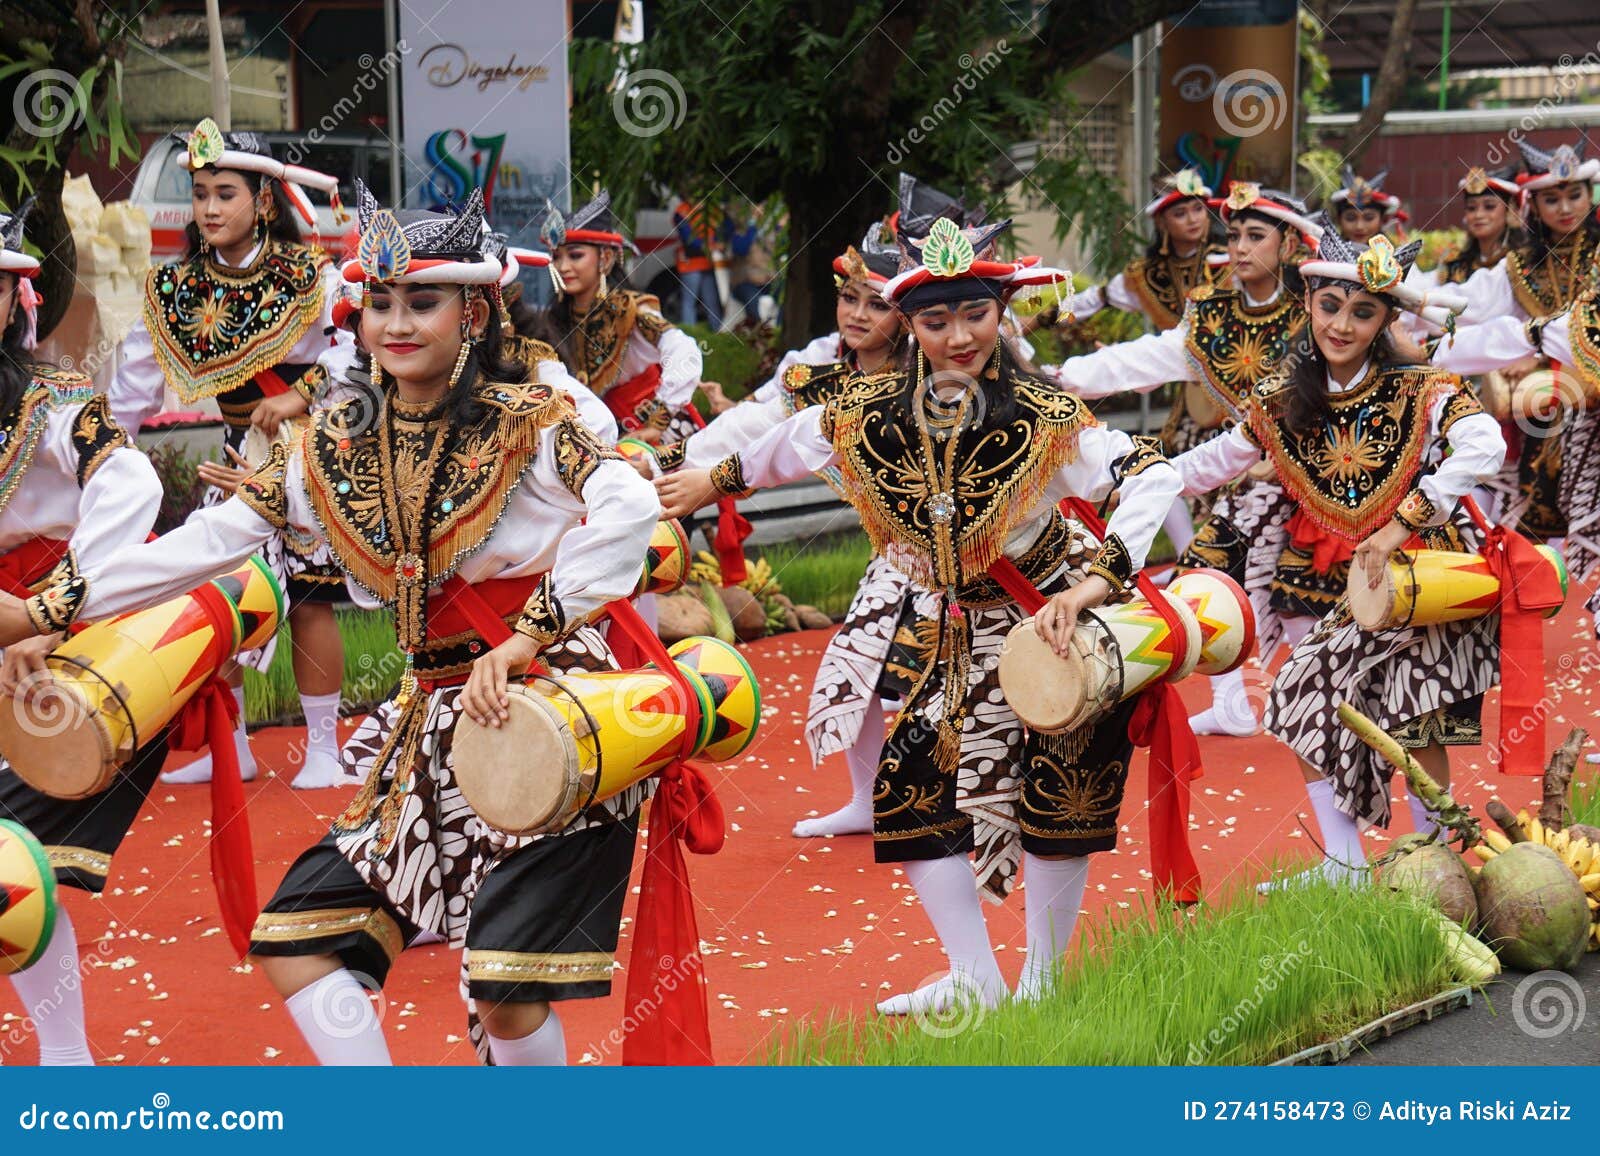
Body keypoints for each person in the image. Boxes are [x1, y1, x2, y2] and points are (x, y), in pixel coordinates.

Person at [0, 184, 661, 1066]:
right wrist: (52, 610)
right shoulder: (339, 441)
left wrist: (527, 636)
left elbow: (625, 504)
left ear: (476, 310)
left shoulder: (536, 416)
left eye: (421, 302)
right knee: (300, 943)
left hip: (554, 704)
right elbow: (208, 542)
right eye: (380, 301)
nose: (394, 322)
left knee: (505, 989)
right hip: (436, 718)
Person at [658, 214, 1182, 1012]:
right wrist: (709, 479)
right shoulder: (870, 411)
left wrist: (1094, 587)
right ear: (911, 325)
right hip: (959, 630)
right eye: (936, 321)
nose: (960, 335)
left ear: (1001, 313)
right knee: (909, 788)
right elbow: (791, 440)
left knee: (1058, 798)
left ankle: (1042, 985)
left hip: (1051, 622)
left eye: (975, 315)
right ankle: (975, 977)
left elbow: (1153, 478)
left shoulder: (1044, 414)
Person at [1168, 232, 1502, 887]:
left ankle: (1433, 866)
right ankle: (1345, 863)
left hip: (1414, 575)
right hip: (1319, 573)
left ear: (1385, 321)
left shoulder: (1419, 387)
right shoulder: (1282, 396)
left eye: (1362, 311)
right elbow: (1213, 463)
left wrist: (1405, 520)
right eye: (1329, 307)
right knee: (1303, 703)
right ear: (1309, 306)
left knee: (1419, 716)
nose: (1341, 325)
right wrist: (1133, 473)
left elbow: (1484, 445)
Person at [653, 221, 931, 838]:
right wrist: (668, 465)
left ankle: (974, 805)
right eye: (849, 297)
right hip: (899, 553)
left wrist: (708, 477)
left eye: (877, 303)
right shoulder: (815, 367)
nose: (857, 314)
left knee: (935, 681)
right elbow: (756, 426)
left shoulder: (928, 372)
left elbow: (788, 445)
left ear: (908, 314)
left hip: (968, 547)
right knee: (852, 667)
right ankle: (873, 801)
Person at [106, 118, 358, 790]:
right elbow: (129, 393)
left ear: (263, 202)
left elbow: (361, 351)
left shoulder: (312, 276)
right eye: (200, 194)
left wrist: (302, 396)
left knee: (308, 599)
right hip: (230, 457)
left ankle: (327, 750)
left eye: (225, 193)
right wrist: (105, 460)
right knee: (216, 593)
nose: (210, 208)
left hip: (301, 457)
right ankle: (232, 746)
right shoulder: (174, 291)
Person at [1045, 184, 1324, 736]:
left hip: (1329, 484)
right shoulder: (1212, 316)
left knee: (1304, 602)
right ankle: (1240, 705)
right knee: (1212, 571)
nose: (1240, 247)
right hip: (1248, 473)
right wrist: (1054, 381)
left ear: (1289, 242)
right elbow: (1143, 360)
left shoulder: (1320, 309)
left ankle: (1319, 703)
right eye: (1235, 235)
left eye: (1255, 235)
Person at [0, 200, 167, 1064]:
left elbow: (131, 486)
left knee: (8, 865)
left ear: (13, 300)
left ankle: (67, 1061)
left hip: (53, 654)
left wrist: (56, 607)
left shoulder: (57, 402)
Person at [1453, 138, 1600, 543]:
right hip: (1551, 404)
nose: (1566, 208)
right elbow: (1471, 304)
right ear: (1534, 205)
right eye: (1553, 200)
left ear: (1590, 194)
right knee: (1542, 512)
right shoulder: (1519, 265)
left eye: (1575, 195)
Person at [539, 190, 708, 446]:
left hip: (658, 435)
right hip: (602, 437)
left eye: (575, 255)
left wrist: (659, 419)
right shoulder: (554, 320)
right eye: (557, 257)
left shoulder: (632, 310)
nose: (563, 267)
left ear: (605, 258)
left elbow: (685, 351)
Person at [673, 197, 723, 328]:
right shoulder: (682, 211)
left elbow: (723, 229)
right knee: (690, 302)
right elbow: (688, 240)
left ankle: (717, 333)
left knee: (711, 301)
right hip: (691, 263)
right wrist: (712, 246)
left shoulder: (711, 209)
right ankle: (689, 335)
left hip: (707, 262)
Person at [1328, 167, 1405, 244]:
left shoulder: (1395, 254)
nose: (1359, 226)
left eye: (1369, 218)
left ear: (1383, 220)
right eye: (1350, 218)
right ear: (1338, 220)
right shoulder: (1320, 252)